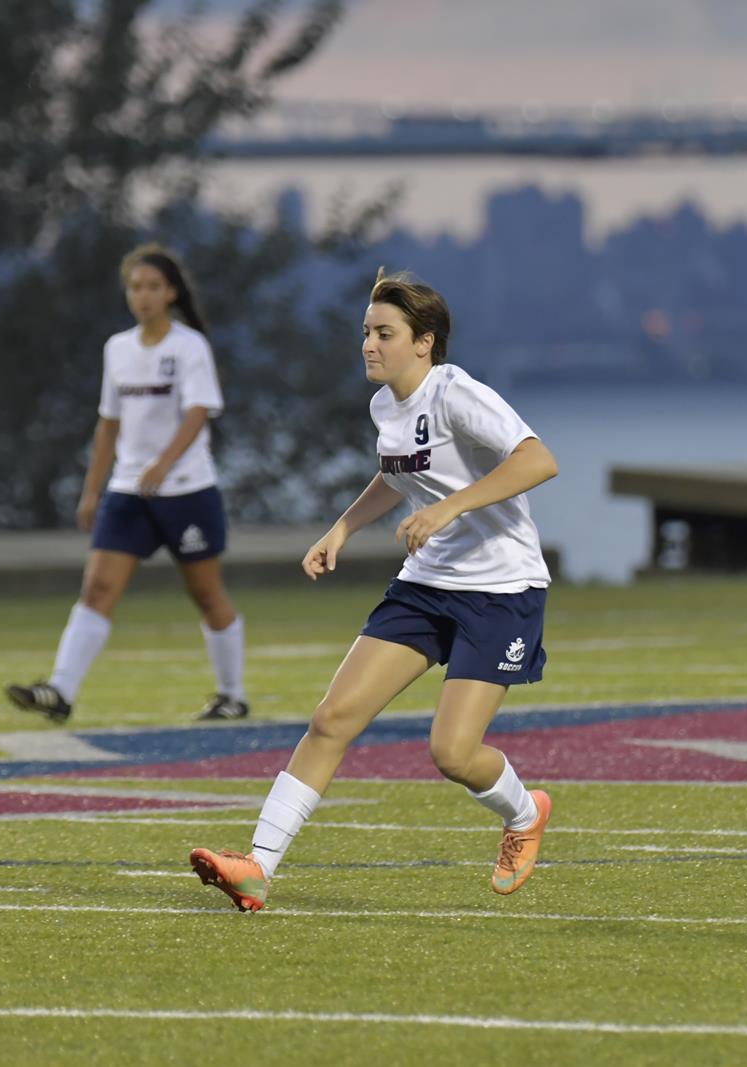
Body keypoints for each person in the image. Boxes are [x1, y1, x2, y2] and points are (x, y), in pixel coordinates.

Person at [190, 268, 558, 911]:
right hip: (425, 586)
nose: (369, 344)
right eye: (366, 332)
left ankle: (524, 815)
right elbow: (395, 475)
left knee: (451, 752)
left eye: (384, 333)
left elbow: (537, 460)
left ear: (425, 341)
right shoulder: (385, 403)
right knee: (332, 718)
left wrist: (449, 510)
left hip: (500, 590)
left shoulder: (457, 394)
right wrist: (342, 528)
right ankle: (256, 867)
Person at [6, 244, 248, 724]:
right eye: (135, 287)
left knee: (205, 593)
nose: (143, 296)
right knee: (97, 588)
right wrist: (93, 490)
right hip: (128, 493)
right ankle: (60, 691)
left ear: (171, 293)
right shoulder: (117, 348)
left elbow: (199, 413)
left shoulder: (188, 347)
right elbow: (108, 424)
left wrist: (163, 464)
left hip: (186, 492)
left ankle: (232, 695)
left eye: (153, 287)